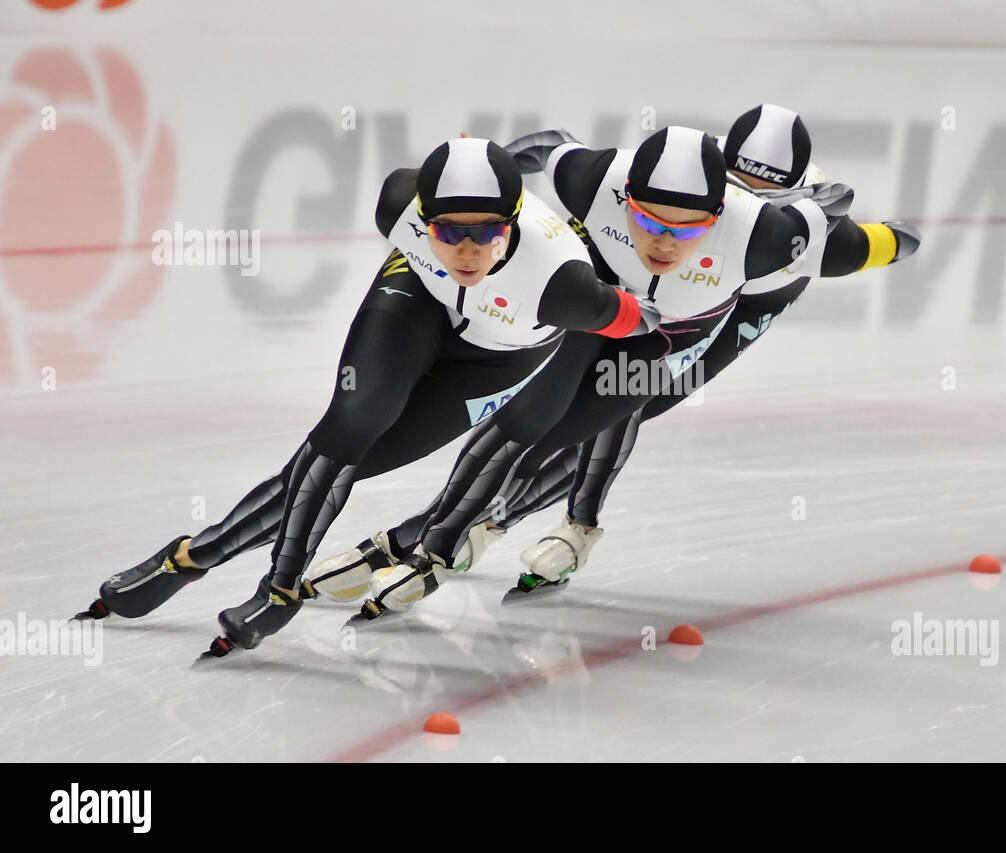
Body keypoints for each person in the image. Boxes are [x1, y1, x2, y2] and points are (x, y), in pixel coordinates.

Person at [73, 138, 658, 656]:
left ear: (512, 225)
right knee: (353, 423)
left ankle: (194, 555)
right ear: (423, 220)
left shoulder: (564, 286)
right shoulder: (398, 205)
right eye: (449, 231)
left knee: (354, 462)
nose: (467, 249)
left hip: (499, 356)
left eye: (486, 231)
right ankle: (279, 590)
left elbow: (643, 321)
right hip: (416, 302)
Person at [309, 105, 919, 601]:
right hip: (611, 286)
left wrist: (816, 213)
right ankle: (447, 528)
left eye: (764, 194)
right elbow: (548, 148)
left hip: (708, 320)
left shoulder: (783, 240)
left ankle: (560, 524)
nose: (745, 201)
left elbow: (901, 240)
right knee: (529, 415)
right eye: (737, 186)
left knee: (612, 407)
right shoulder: (619, 180)